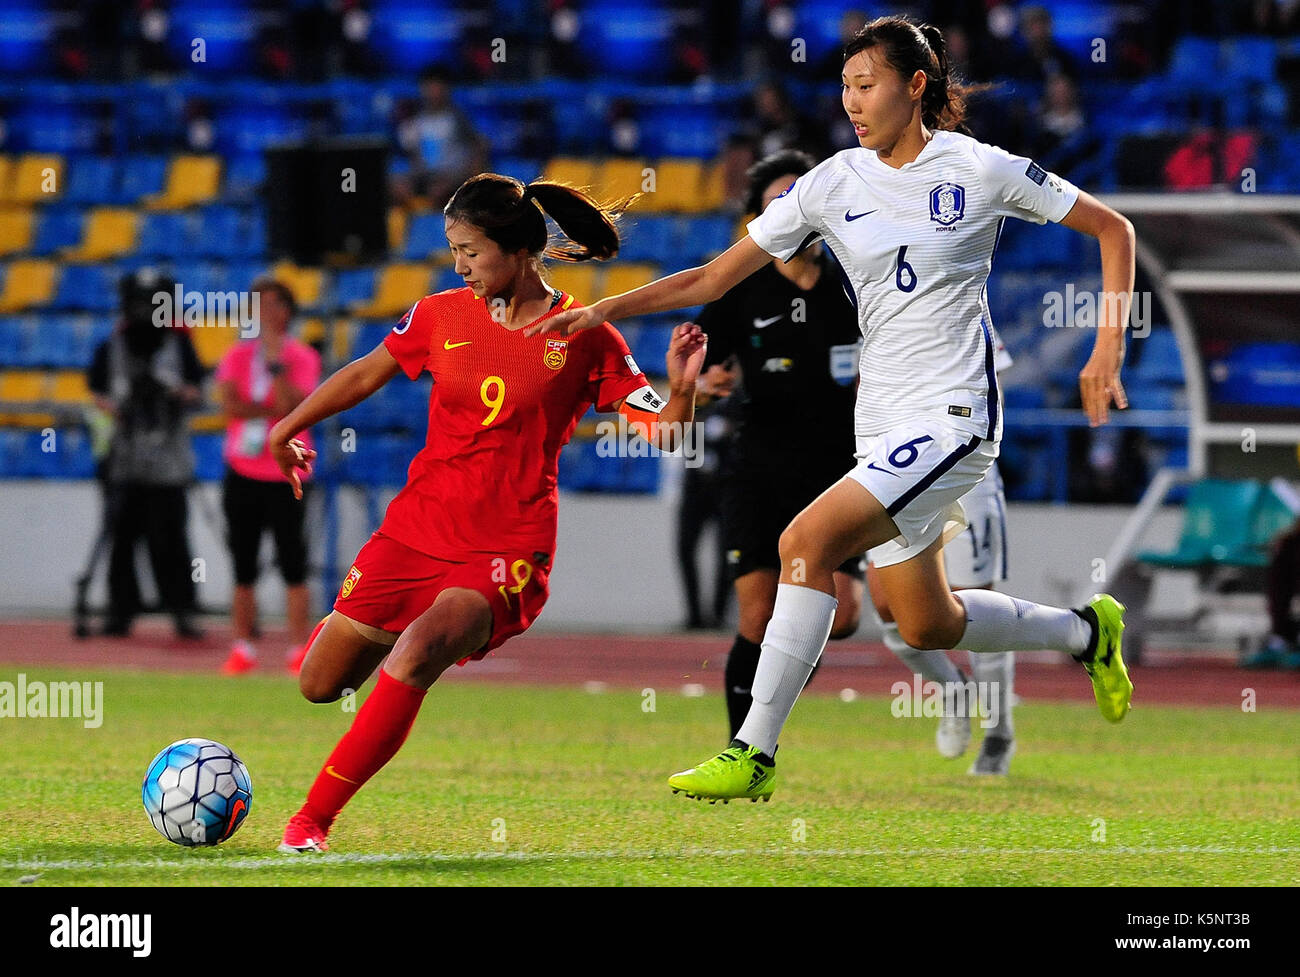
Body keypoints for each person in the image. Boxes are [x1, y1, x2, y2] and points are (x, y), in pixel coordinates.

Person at [531, 15, 1136, 802]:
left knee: (804, 542)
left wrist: (1106, 346)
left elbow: (1112, 228)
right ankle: (1089, 630)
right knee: (928, 625)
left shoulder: (980, 169)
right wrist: (601, 310)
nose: (852, 101)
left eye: (867, 84)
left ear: (915, 86)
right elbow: (713, 278)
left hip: (953, 418)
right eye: (845, 87)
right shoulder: (832, 181)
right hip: (880, 425)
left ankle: (753, 752)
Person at [268, 173, 705, 852]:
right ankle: (387, 629)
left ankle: (310, 821)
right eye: (454, 249)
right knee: (319, 684)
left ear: (518, 249)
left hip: (506, 547)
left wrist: (682, 392)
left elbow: (662, 430)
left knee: (416, 654)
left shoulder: (584, 334)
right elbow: (364, 372)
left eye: (471, 250)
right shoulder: (440, 315)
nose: (459, 265)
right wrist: (289, 425)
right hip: (417, 527)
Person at [692, 148, 864, 737]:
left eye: (801, 200)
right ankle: (746, 747)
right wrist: (700, 383)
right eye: (778, 204)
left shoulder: (856, 283)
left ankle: (762, 723)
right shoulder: (742, 289)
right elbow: (698, 371)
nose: (793, 213)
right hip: (758, 470)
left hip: (839, 475)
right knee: (760, 616)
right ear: (758, 221)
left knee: (841, 616)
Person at [88, 268, 205, 639]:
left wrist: (172, 394)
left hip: (168, 460)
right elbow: (96, 395)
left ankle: (182, 609)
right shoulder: (111, 347)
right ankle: (120, 609)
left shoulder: (179, 344)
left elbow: (197, 392)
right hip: (123, 459)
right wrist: (118, 406)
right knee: (121, 539)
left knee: (170, 537)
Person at [215, 278, 322, 675]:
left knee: (294, 562)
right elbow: (230, 406)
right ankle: (242, 646)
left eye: (270, 305)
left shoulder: (303, 357)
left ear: (286, 312)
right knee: (244, 564)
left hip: (287, 471)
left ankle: (298, 649)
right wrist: (271, 410)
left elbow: (293, 405)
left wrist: (276, 369)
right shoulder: (238, 356)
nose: (262, 313)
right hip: (243, 470)